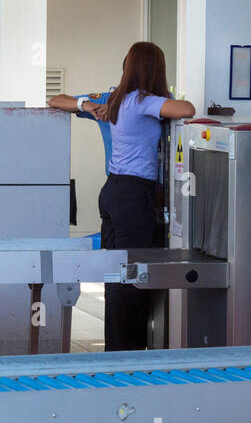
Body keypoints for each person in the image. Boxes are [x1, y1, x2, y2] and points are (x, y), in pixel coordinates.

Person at [50, 42, 194, 351]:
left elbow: (55, 99)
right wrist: (164, 100)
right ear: (155, 70)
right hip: (134, 196)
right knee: (133, 276)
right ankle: (128, 355)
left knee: (115, 274)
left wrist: (85, 105)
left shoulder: (114, 100)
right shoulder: (143, 101)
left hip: (113, 192)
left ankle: (116, 350)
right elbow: (187, 110)